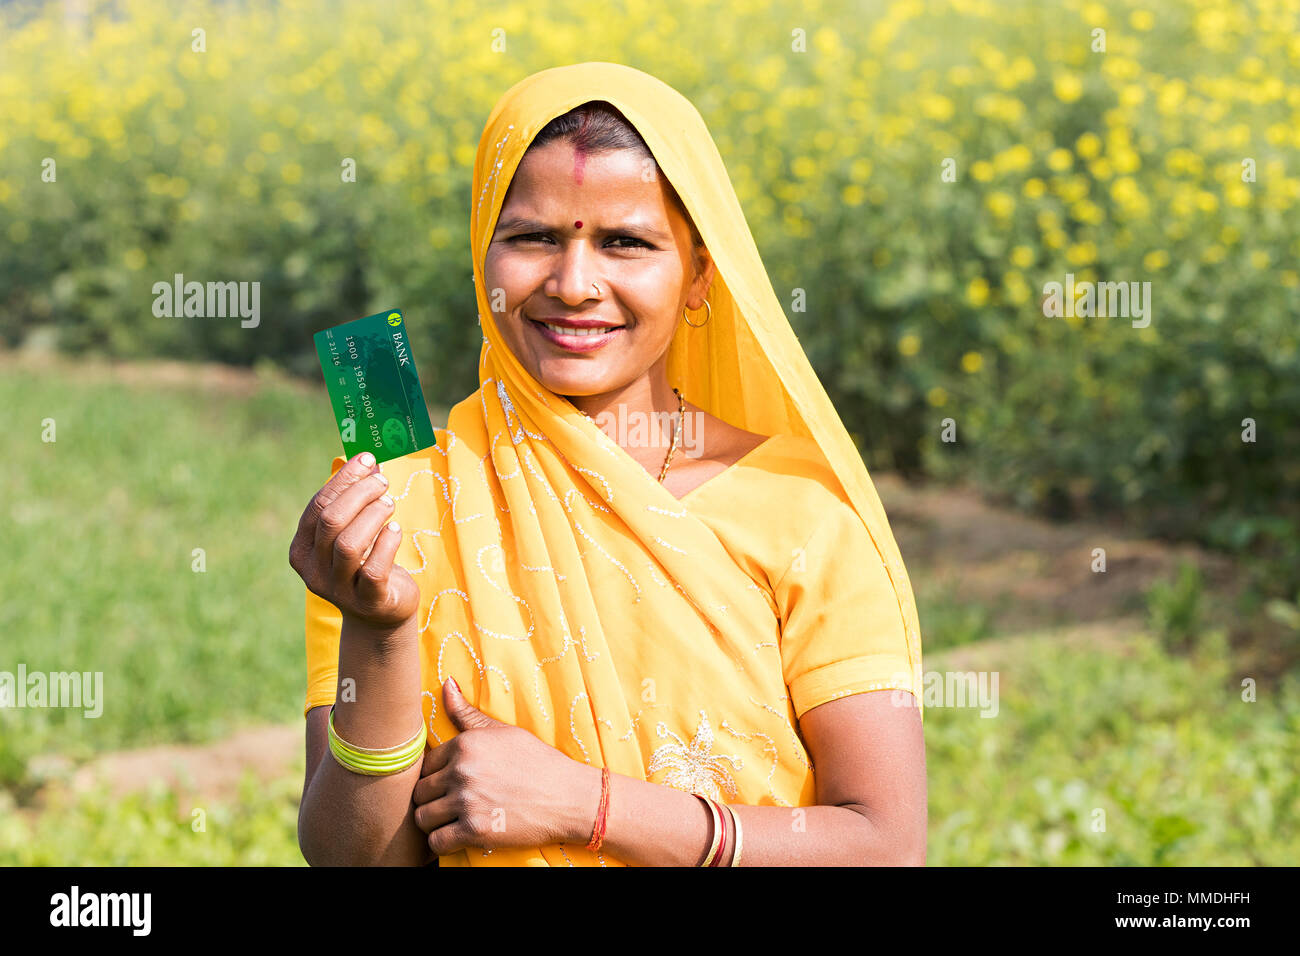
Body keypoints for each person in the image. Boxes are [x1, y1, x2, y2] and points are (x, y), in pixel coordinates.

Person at [291, 61, 926, 867]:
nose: (574, 284)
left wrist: (583, 805)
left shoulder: (800, 509)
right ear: (483, 259)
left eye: (626, 243)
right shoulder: (403, 500)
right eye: (532, 239)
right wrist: (381, 631)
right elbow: (353, 859)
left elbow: (886, 847)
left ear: (699, 272)